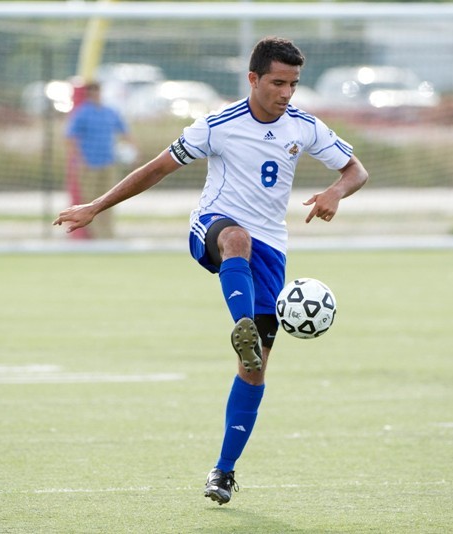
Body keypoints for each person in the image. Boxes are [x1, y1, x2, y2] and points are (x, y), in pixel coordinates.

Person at [54, 37, 368, 505]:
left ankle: (223, 472)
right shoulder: (218, 125)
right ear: (253, 79)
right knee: (236, 238)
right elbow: (157, 168)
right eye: (278, 82)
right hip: (214, 228)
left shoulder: (305, 126)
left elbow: (355, 170)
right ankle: (240, 323)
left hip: (270, 252)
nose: (286, 93)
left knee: (254, 368)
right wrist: (96, 207)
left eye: (294, 84)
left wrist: (335, 194)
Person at [66, 82, 136, 239]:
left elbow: (124, 131)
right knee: (90, 200)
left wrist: (134, 150)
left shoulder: (110, 111)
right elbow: (70, 137)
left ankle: (108, 234)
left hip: (108, 162)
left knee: (109, 200)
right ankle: (97, 235)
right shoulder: (83, 113)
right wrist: (80, 159)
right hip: (89, 164)